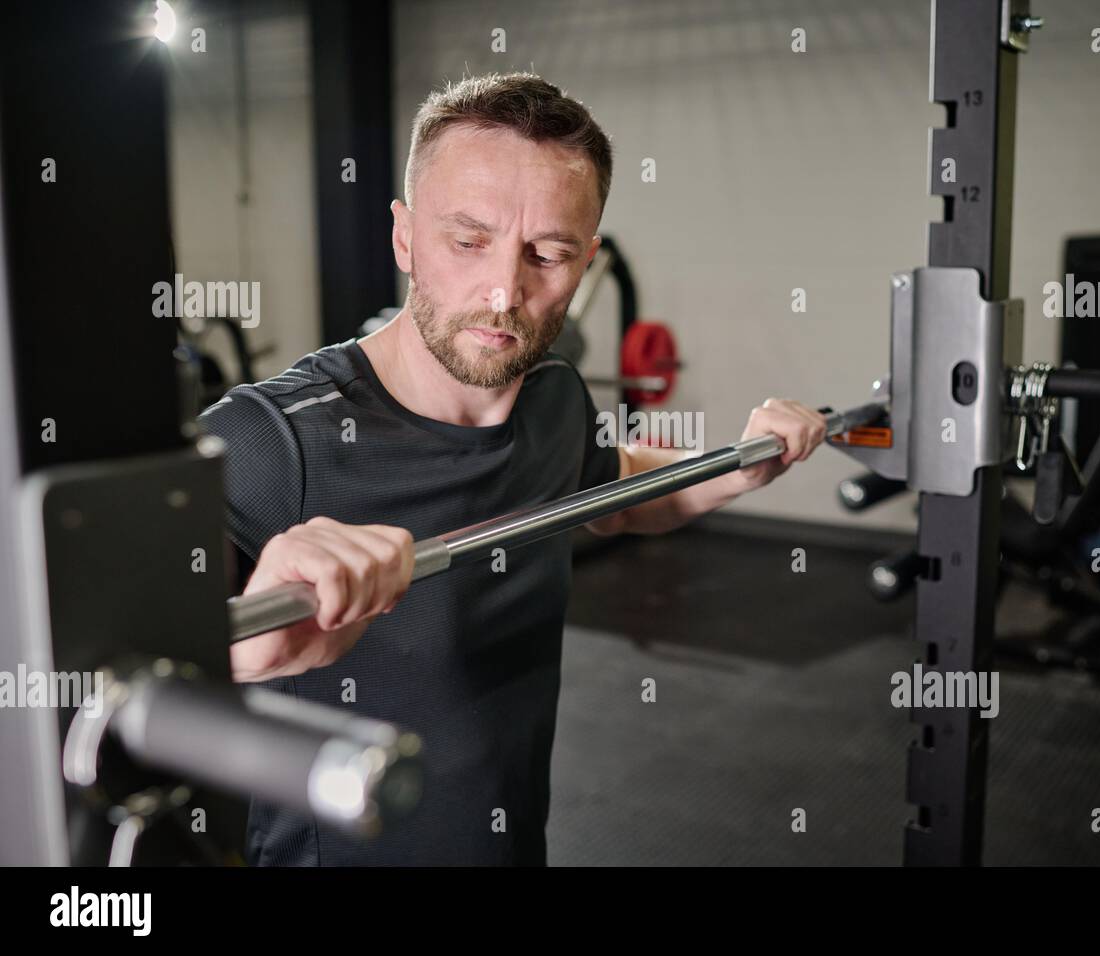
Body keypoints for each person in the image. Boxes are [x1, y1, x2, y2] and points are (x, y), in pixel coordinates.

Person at [201, 72, 828, 865]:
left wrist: (738, 465)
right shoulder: (266, 442)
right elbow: (99, 669)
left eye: (550, 253)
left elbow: (621, 491)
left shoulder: (555, 398)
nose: (505, 291)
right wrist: (252, 652)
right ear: (403, 238)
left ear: (588, 259)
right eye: (467, 241)